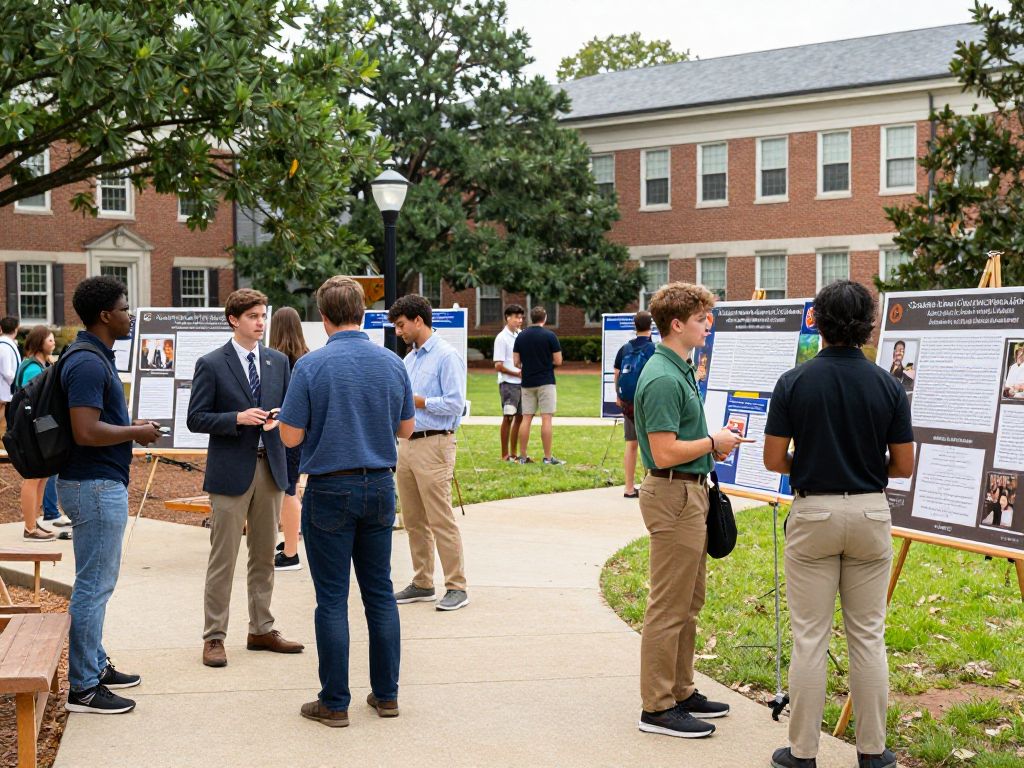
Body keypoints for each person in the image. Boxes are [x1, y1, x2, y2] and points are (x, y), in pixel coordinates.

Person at [763, 280, 914, 768]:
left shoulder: (794, 382)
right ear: (869, 326)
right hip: (871, 511)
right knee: (868, 635)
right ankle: (873, 752)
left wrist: (811, 464)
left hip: (814, 511)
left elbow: (772, 459)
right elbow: (904, 465)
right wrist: (865, 468)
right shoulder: (889, 385)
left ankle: (802, 752)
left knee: (811, 635)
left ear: (817, 321)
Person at [278, 276, 414, 727]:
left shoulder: (312, 366)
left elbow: (291, 435)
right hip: (379, 484)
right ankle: (387, 695)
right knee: (379, 594)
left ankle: (335, 702)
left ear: (324, 316)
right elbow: (406, 429)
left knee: (332, 599)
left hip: (331, 488)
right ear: (362, 311)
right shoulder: (392, 362)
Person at [633, 282, 742, 739]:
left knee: (689, 601)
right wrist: (712, 442)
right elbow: (662, 452)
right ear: (676, 324)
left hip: (690, 490)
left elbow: (680, 444)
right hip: (673, 494)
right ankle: (657, 708)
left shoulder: (679, 368)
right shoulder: (661, 377)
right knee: (669, 604)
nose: (707, 325)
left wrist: (708, 450)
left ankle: (681, 689)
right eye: (701, 319)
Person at [59, 275, 162, 714]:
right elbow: (85, 431)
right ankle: (83, 688)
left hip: (95, 484)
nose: (130, 315)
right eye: (125, 307)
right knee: (94, 587)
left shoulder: (93, 355)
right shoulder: (87, 363)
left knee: (96, 583)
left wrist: (127, 426)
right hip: (94, 486)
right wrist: (137, 431)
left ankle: (95, 665)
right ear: (105, 315)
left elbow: (95, 421)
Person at [187, 288, 303, 668]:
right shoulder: (211, 363)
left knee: (264, 557)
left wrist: (278, 416)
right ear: (234, 320)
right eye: (253, 316)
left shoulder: (277, 362)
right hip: (230, 471)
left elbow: (290, 410)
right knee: (224, 558)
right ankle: (214, 637)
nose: (261, 322)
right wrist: (236, 418)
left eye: (263, 315)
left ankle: (261, 629)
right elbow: (196, 417)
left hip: (271, 467)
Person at [389, 294, 469, 612]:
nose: (398, 331)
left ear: (418, 321)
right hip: (406, 445)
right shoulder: (409, 361)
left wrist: (418, 401)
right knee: (413, 519)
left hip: (436, 444)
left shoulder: (447, 356)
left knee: (440, 519)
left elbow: (454, 404)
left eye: (401, 325)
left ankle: (457, 586)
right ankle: (422, 582)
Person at [269, 306, 308, 571]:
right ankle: (291, 538)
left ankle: (291, 553)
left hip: (283, 432)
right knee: (292, 486)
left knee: (288, 491)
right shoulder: (306, 359)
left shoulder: (275, 360)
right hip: (303, 432)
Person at [16, 325, 59, 541]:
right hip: (32, 429)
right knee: (33, 477)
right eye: (50, 340)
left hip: (40, 427)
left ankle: (36, 522)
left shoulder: (42, 364)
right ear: (40, 341)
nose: (53, 343)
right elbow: (32, 400)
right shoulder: (32, 368)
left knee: (42, 475)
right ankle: (30, 527)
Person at [513, 306, 565, 465]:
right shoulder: (550, 336)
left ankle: (522, 456)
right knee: (546, 418)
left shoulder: (521, 336)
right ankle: (548, 458)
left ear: (531, 318)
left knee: (526, 418)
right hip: (546, 381)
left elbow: (516, 362)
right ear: (545, 318)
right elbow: (558, 361)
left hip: (527, 382)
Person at [614, 310, 655, 498]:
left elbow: (617, 373)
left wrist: (618, 396)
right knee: (651, 444)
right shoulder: (653, 349)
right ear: (651, 326)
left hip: (628, 402)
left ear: (635, 327)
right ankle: (651, 486)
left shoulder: (625, 349)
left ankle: (628, 488)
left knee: (631, 444)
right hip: (647, 401)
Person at [493, 303, 524, 462]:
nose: (519, 320)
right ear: (508, 318)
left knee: (520, 417)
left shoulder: (520, 335)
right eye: (516, 317)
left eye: (521, 317)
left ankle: (514, 453)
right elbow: (498, 365)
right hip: (508, 384)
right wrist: (517, 374)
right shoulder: (501, 338)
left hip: (521, 384)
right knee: (508, 417)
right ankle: (505, 454)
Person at [0, 315, 21, 432]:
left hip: (6, 388)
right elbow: (7, 371)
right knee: (2, 419)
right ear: (16, 329)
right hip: (4, 388)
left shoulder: (6, 344)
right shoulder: (4, 346)